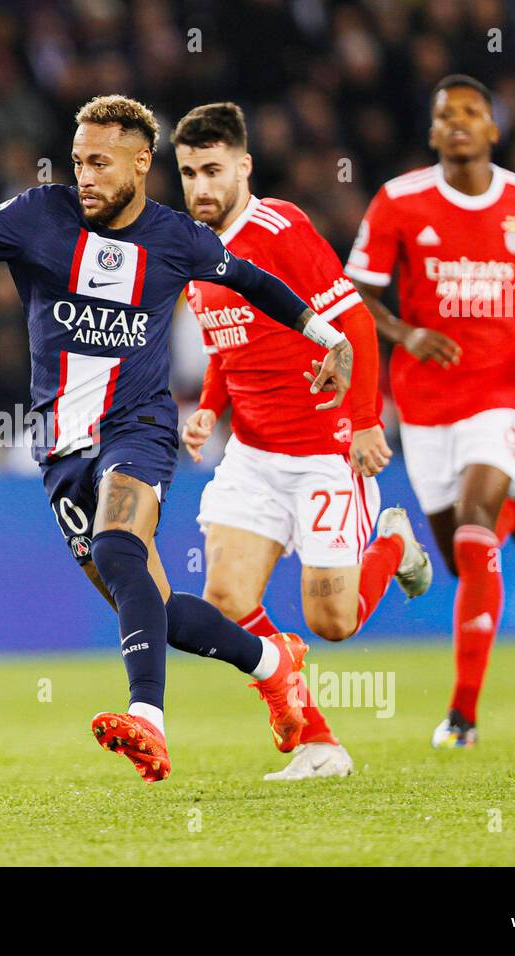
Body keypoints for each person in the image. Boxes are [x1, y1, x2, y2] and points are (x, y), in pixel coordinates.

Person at [0, 95, 353, 782]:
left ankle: (148, 719)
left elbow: (254, 282)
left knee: (118, 545)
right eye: (79, 161)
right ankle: (271, 662)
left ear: (141, 163)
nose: (85, 176)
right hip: (60, 446)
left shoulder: (177, 238)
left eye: (101, 163)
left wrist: (327, 336)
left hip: (137, 426)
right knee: (154, 608)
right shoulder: (38, 214)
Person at [173, 102, 432, 780]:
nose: (200, 187)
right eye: (189, 173)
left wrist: (367, 421)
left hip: (324, 450)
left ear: (244, 167)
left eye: (213, 170)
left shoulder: (280, 228)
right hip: (253, 455)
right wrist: (208, 412)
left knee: (332, 622)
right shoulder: (192, 250)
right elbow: (227, 347)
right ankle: (319, 743)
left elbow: (358, 325)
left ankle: (394, 543)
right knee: (225, 597)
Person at [345, 76, 515, 747]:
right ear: (431, 132)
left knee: (475, 530)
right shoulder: (399, 201)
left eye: (471, 112)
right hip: (425, 401)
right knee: (462, 558)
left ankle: (463, 715)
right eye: (445, 114)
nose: (458, 121)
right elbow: (357, 292)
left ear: (492, 129)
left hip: (506, 390)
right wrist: (406, 333)